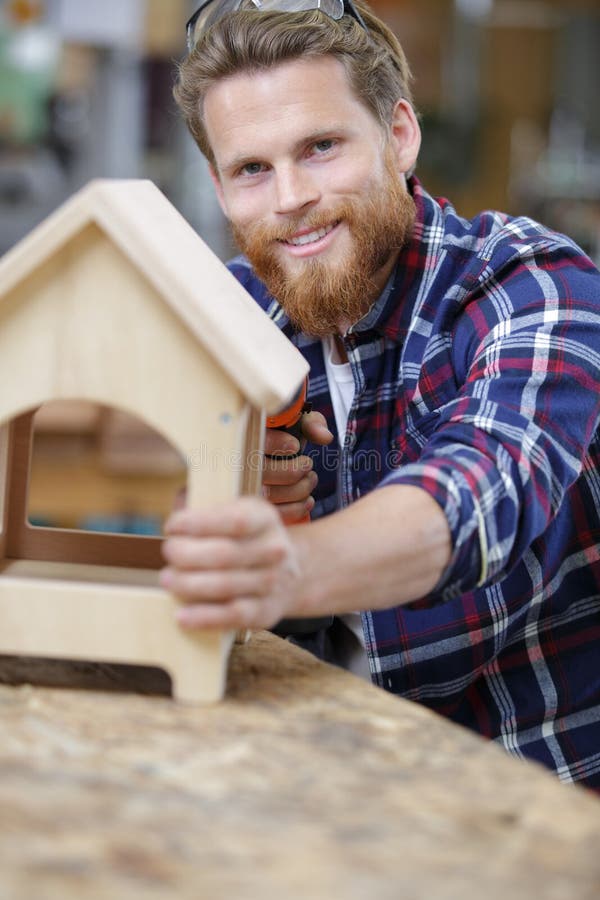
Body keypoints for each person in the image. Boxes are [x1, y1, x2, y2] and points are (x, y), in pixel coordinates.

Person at [166, 0, 600, 791]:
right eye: (252, 169)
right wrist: (228, 482)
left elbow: (486, 488)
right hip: (323, 787)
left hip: (535, 797)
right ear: (220, 187)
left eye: (321, 147)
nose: (290, 196)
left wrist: (289, 565)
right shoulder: (231, 315)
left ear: (399, 135)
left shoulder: (531, 284)